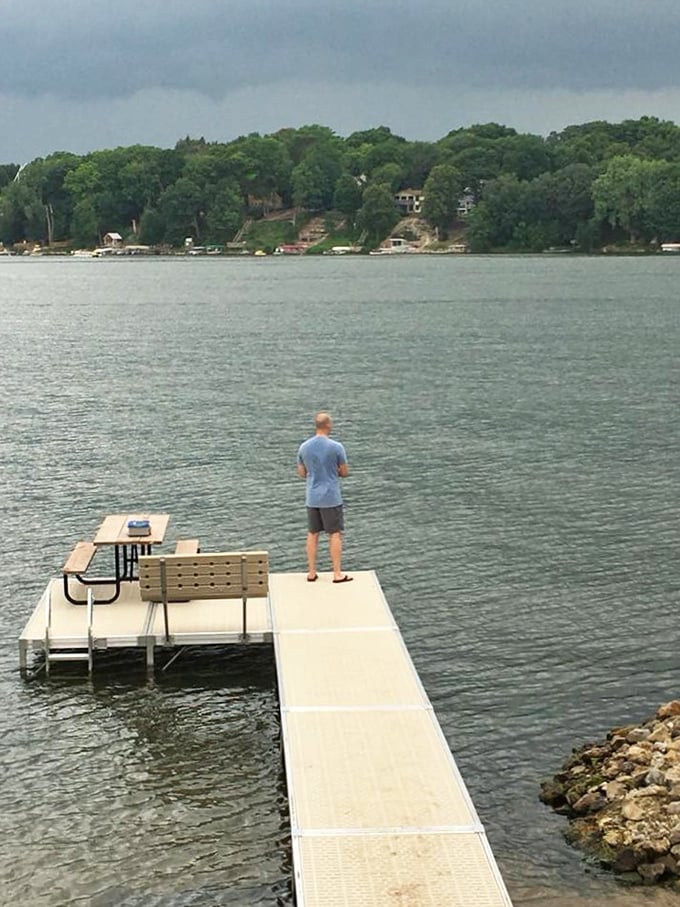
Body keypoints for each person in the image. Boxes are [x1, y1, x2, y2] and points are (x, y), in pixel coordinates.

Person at [297, 411, 352, 583]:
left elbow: (301, 473)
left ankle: (311, 572)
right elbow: (344, 472)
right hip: (331, 497)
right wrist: (334, 471)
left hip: (312, 497)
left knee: (312, 533)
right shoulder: (336, 447)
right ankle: (337, 573)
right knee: (334, 534)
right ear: (328, 425)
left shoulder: (304, 447)